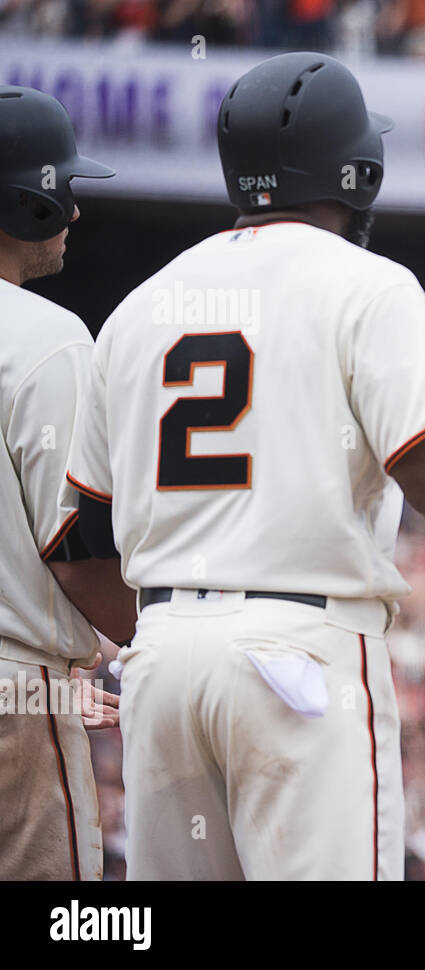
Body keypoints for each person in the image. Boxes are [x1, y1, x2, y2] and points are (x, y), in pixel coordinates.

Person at [64, 52, 425, 880]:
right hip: (300, 650)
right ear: (359, 171)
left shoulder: (140, 305)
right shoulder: (366, 284)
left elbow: (84, 542)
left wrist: (183, 637)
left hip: (161, 659)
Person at [0, 85, 136, 881]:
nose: (75, 212)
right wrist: (161, 645)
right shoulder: (46, 336)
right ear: (27, 201)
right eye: (64, 191)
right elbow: (76, 551)